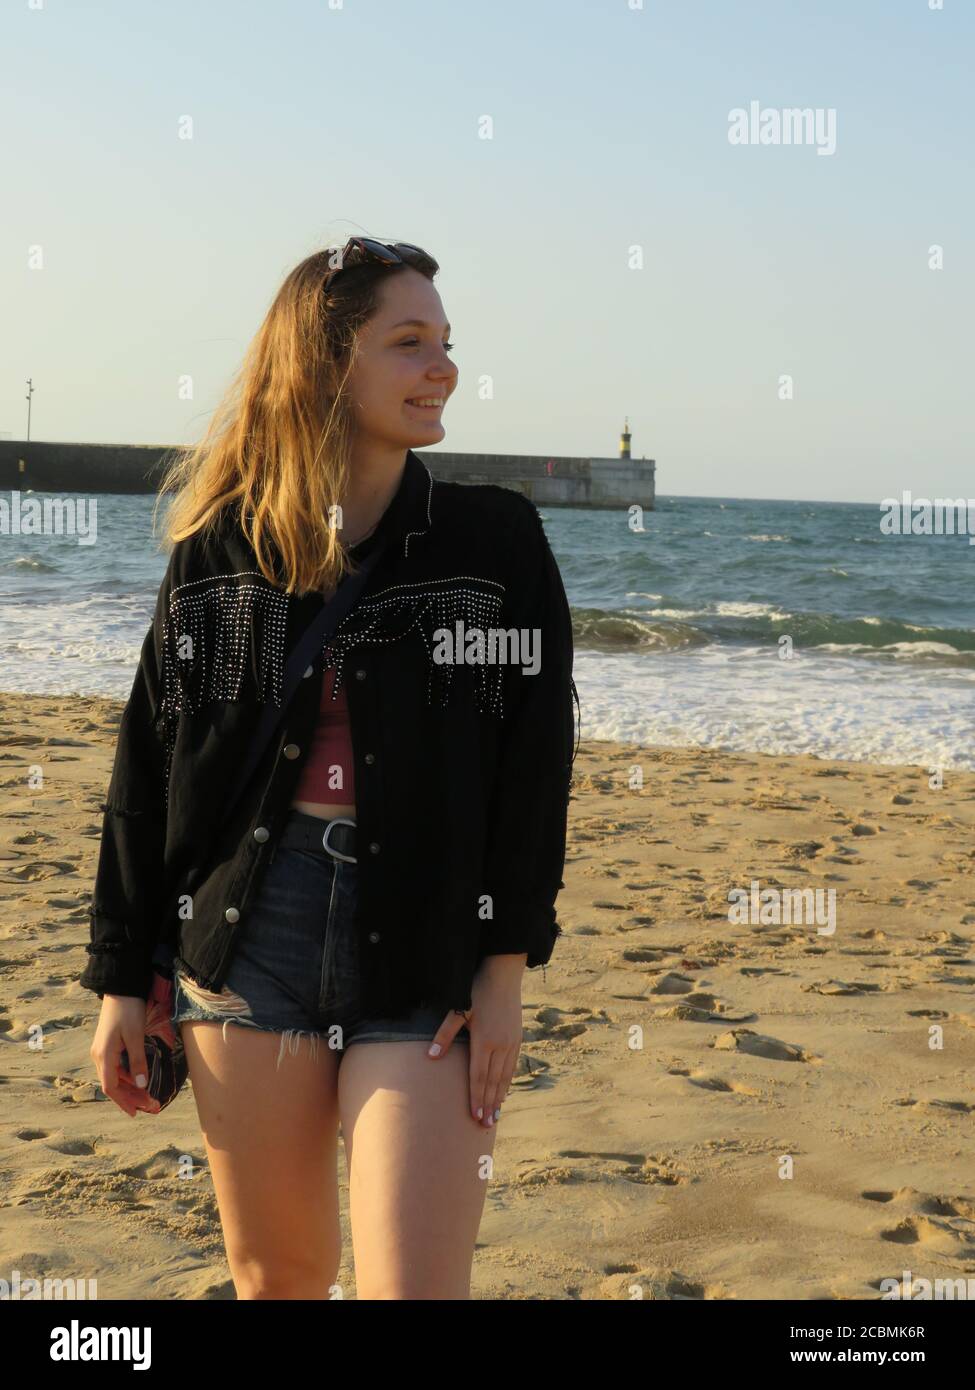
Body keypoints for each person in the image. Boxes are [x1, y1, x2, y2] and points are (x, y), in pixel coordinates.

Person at [83, 237, 578, 1300]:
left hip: (425, 946)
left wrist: (502, 976)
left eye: (446, 344)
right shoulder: (221, 550)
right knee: (280, 1280)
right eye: (408, 343)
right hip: (252, 940)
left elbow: (534, 773)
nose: (441, 367)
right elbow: (149, 766)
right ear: (323, 364)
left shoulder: (493, 547)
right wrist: (124, 975)